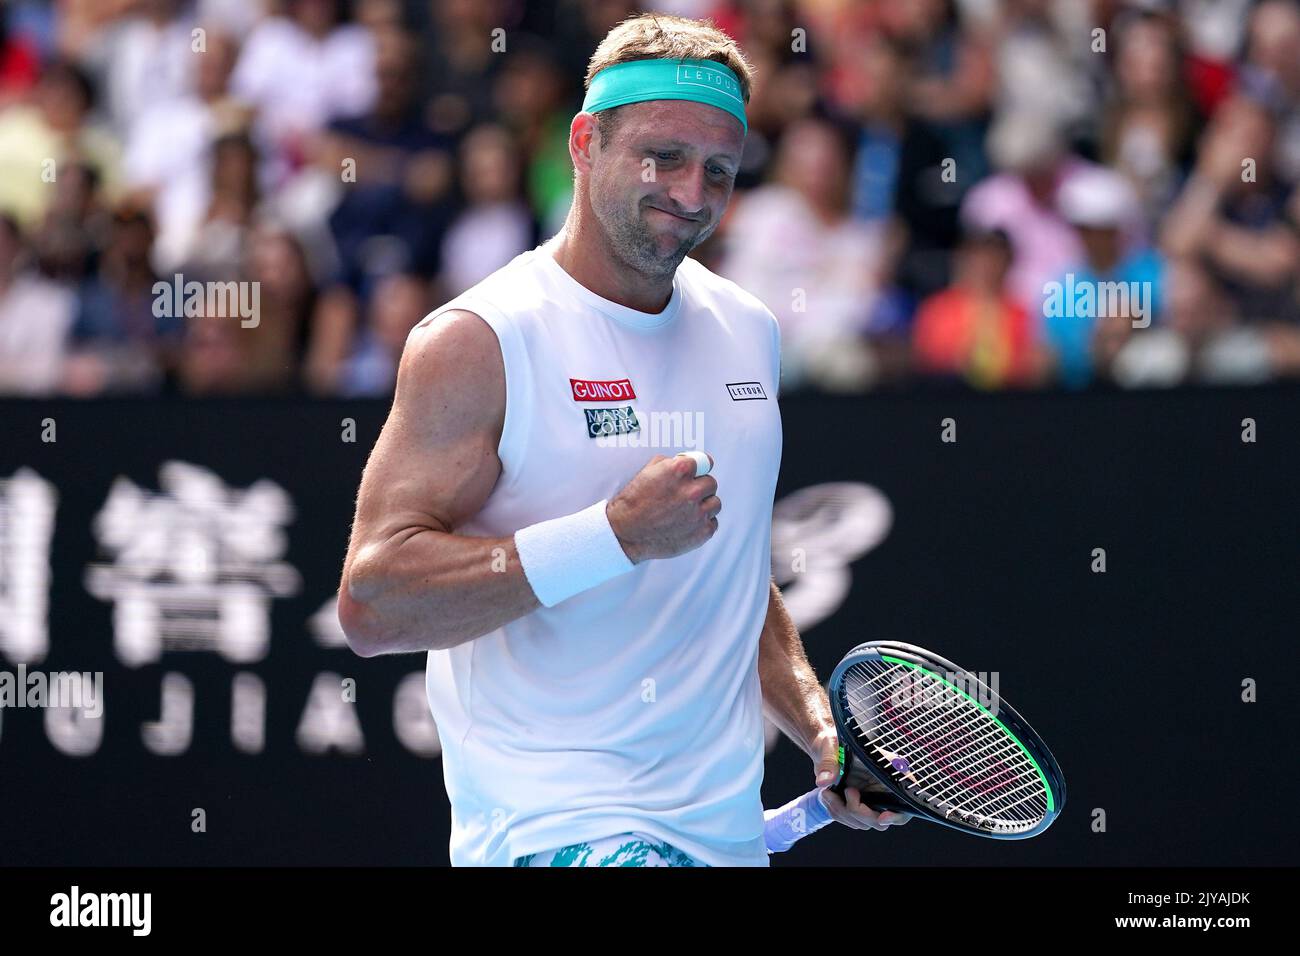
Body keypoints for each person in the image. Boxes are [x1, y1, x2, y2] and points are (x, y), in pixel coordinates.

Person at [337, 13, 908, 868]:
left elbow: (732, 575)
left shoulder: (748, 330)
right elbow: (373, 605)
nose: (691, 191)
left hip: (720, 839)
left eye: (719, 169)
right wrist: (612, 535)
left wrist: (818, 728)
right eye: (662, 156)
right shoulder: (479, 340)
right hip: (552, 834)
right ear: (583, 143)